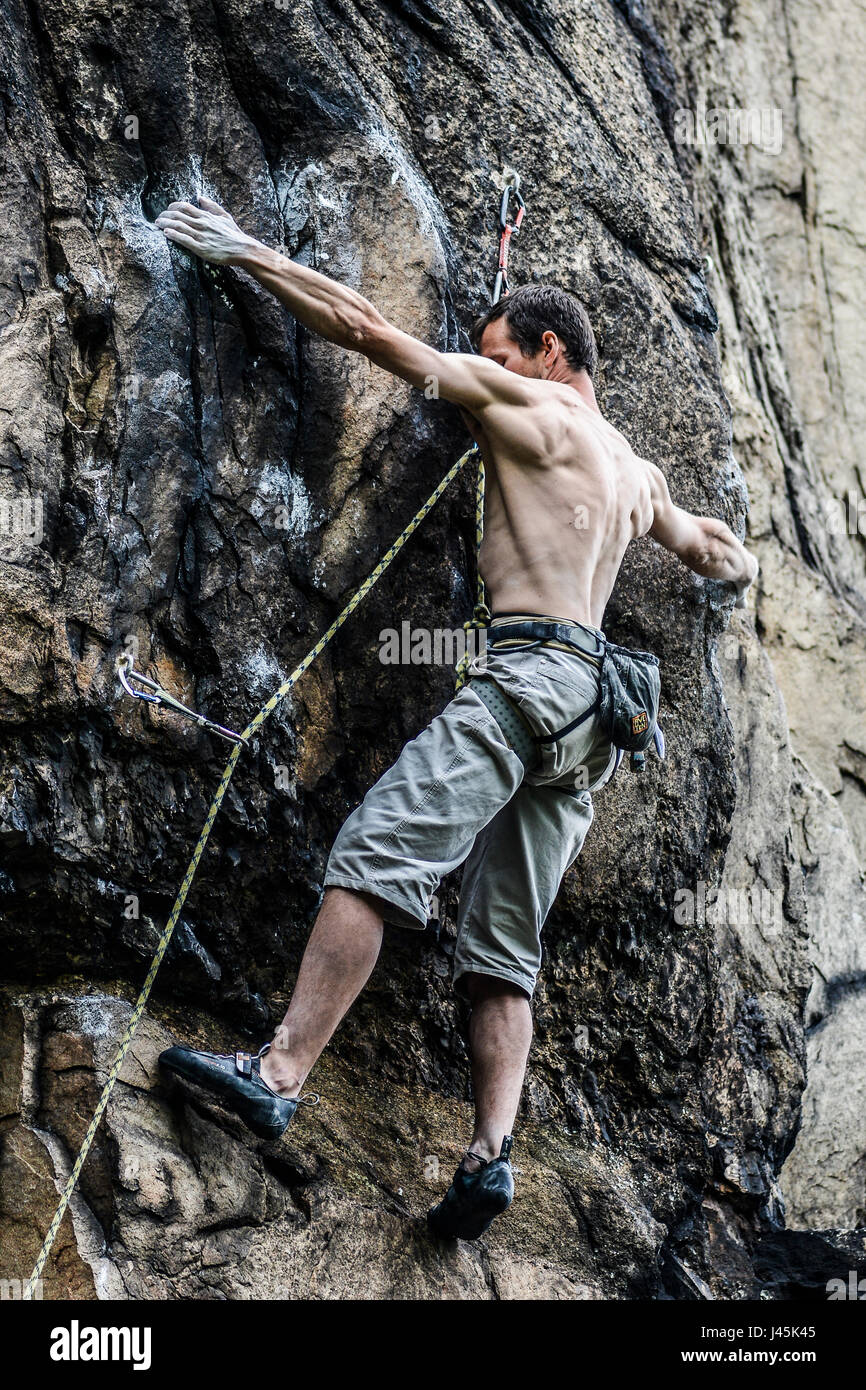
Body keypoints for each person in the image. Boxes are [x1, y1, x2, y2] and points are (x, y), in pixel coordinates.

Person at [155, 197, 758, 1241]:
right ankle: (489, 1156)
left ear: (546, 349)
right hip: (590, 726)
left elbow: (368, 332)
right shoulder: (633, 468)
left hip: (525, 680)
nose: (483, 370)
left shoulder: (530, 410)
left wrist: (245, 250)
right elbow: (713, 549)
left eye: (497, 354)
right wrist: (731, 576)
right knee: (500, 951)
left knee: (377, 853)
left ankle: (278, 1070)